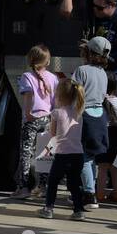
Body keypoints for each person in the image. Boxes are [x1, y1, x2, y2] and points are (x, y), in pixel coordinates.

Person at [15, 44, 58, 199]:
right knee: (44, 154)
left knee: (26, 153)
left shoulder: (27, 76)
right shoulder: (53, 78)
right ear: (47, 61)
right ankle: (42, 187)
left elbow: (27, 98)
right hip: (47, 119)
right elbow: (55, 102)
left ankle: (23, 187)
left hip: (31, 119)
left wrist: (27, 114)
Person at [40, 78, 86, 220]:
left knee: (53, 181)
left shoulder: (57, 113)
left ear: (59, 96)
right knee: (74, 183)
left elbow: (53, 134)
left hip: (62, 154)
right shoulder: (79, 113)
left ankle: (48, 209)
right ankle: (78, 210)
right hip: (78, 154)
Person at [73, 36, 110, 207]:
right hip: (100, 116)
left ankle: (89, 193)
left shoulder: (81, 70)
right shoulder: (103, 73)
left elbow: (74, 92)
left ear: (87, 52)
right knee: (92, 157)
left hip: (85, 115)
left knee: (84, 157)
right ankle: (88, 188)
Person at [96, 72, 117, 204]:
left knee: (102, 167)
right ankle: (116, 194)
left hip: (103, 135)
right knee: (116, 168)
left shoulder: (98, 101)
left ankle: (100, 194)